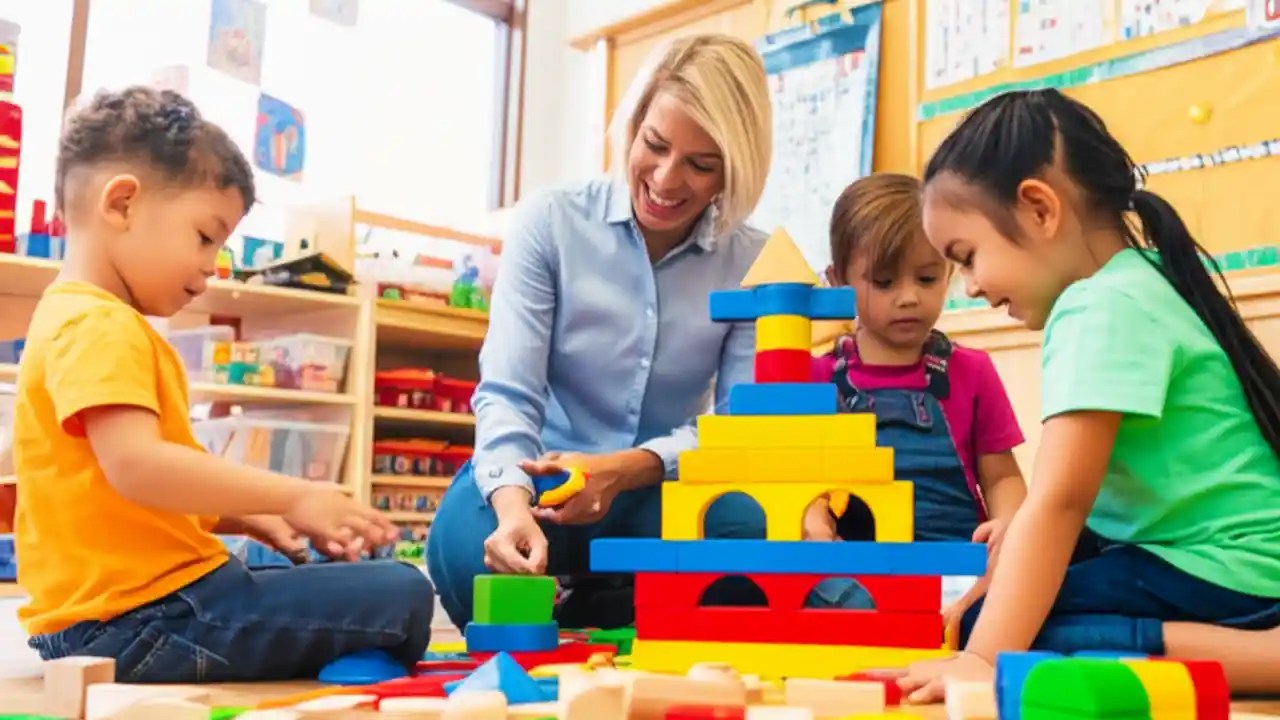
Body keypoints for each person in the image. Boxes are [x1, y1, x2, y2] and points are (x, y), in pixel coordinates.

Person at [15, 86, 433, 683]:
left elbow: (112, 499)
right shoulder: (97, 325)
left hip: (116, 616)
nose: (212, 265)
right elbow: (137, 467)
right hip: (143, 621)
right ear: (123, 204)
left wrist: (241, 515)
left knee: (296, 567)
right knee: (402, 593)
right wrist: (293, 495)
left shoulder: (74, 317)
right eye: (205, 236)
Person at [895, 88, 1280, 701]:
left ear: (1038, 209)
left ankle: (1267, 657)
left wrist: (980, 659)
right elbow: (1085, 502)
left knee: (1007, 636)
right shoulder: (1143, 278)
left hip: (1231, 572)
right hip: (1240, 566)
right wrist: (1019, 538)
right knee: (1008, 602)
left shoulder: (1098, 306)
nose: (969, 288)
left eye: (967, 258)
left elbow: (1061, 501)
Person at [426, 33, 774, 629]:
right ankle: (620, 598)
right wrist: (512, 508)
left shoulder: (754, 262)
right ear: (633, 127)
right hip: (540, 480)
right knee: (465, 558)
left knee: (754, 548)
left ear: (732, 171)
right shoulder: (550, 221)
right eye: (655, 145)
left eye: (700, 164)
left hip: (662, 486)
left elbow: (741, 424)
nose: (666, 178)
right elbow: (508, 394)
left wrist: (630, 467)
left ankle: (594, 601)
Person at [802, 173, 1027, 633]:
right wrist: (812, 523)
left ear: (948, 270)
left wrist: (1011, 529)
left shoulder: (972, 371)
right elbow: (796, 480)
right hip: (855, 577)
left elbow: (1001, 475)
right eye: (883, 282)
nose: (908, 298)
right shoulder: (815, 379)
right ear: (838, 281)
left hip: (957, 573)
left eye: (926, 278)